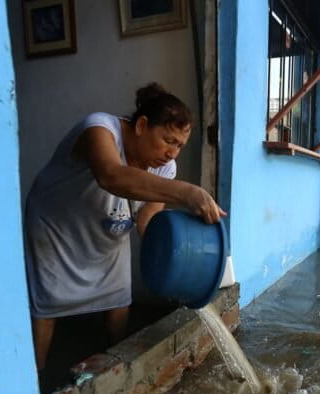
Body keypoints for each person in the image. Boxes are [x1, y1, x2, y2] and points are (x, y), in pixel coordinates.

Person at [24, 83, 225, 377]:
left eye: (180, 145)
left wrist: (172, 258)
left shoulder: (165, 168)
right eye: (168, 140)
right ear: (142, 125)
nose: (172, 153)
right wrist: (186, 193)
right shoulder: (99, 129)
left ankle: (118, 363)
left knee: (117, 297)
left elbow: (147, 217)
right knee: (48, 302)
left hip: (107, 224)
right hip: (56, 225)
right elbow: (111, 176)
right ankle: (36, 376)